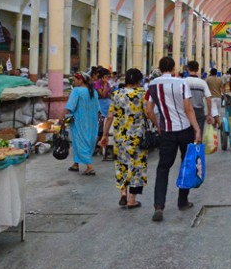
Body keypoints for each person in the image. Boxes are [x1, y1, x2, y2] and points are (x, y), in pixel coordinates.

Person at [145, 57, 202, 223]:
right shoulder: (181, 83)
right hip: (185, 129)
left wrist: (158, 126)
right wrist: (197, 129)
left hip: (167, 131)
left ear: (160, 67)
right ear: (174, 67)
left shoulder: (152, 85)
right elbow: (188, 108)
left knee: (163, 167)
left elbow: (149, 111)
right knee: (187, 164)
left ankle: (158, 206)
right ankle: (182, 200)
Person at [99, 68, 148, 209]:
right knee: (137, 167)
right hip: (138, 137)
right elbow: (149, 112)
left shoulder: (117, 94)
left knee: (123, 165)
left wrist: (104, 135)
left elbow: (109, 117)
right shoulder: (142, 94)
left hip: (120, 137)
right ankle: (132, 200)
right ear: (139, 81)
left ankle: (123, 194)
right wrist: (157, 126)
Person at [64, 72, 100, 175]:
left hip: (79, 122)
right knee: (83, 142)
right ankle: (76, 164)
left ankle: (90, 167)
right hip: (92, 122)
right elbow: (97, 108)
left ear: (81, 81)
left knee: (80, 142)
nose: (73, 82)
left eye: (75, 80)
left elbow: (69, 107)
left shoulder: (76, 91)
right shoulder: (93, 91)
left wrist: (62, 118)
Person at [186, 61, 216, 133]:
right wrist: (209, 114)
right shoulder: (202, 82)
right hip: (199, 111)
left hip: (186, 111)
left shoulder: (183, 82)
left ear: (188, 69)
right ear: (198, 69)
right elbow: (208, 99)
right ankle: (198, 143)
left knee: (187, 134)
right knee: (198, 132)